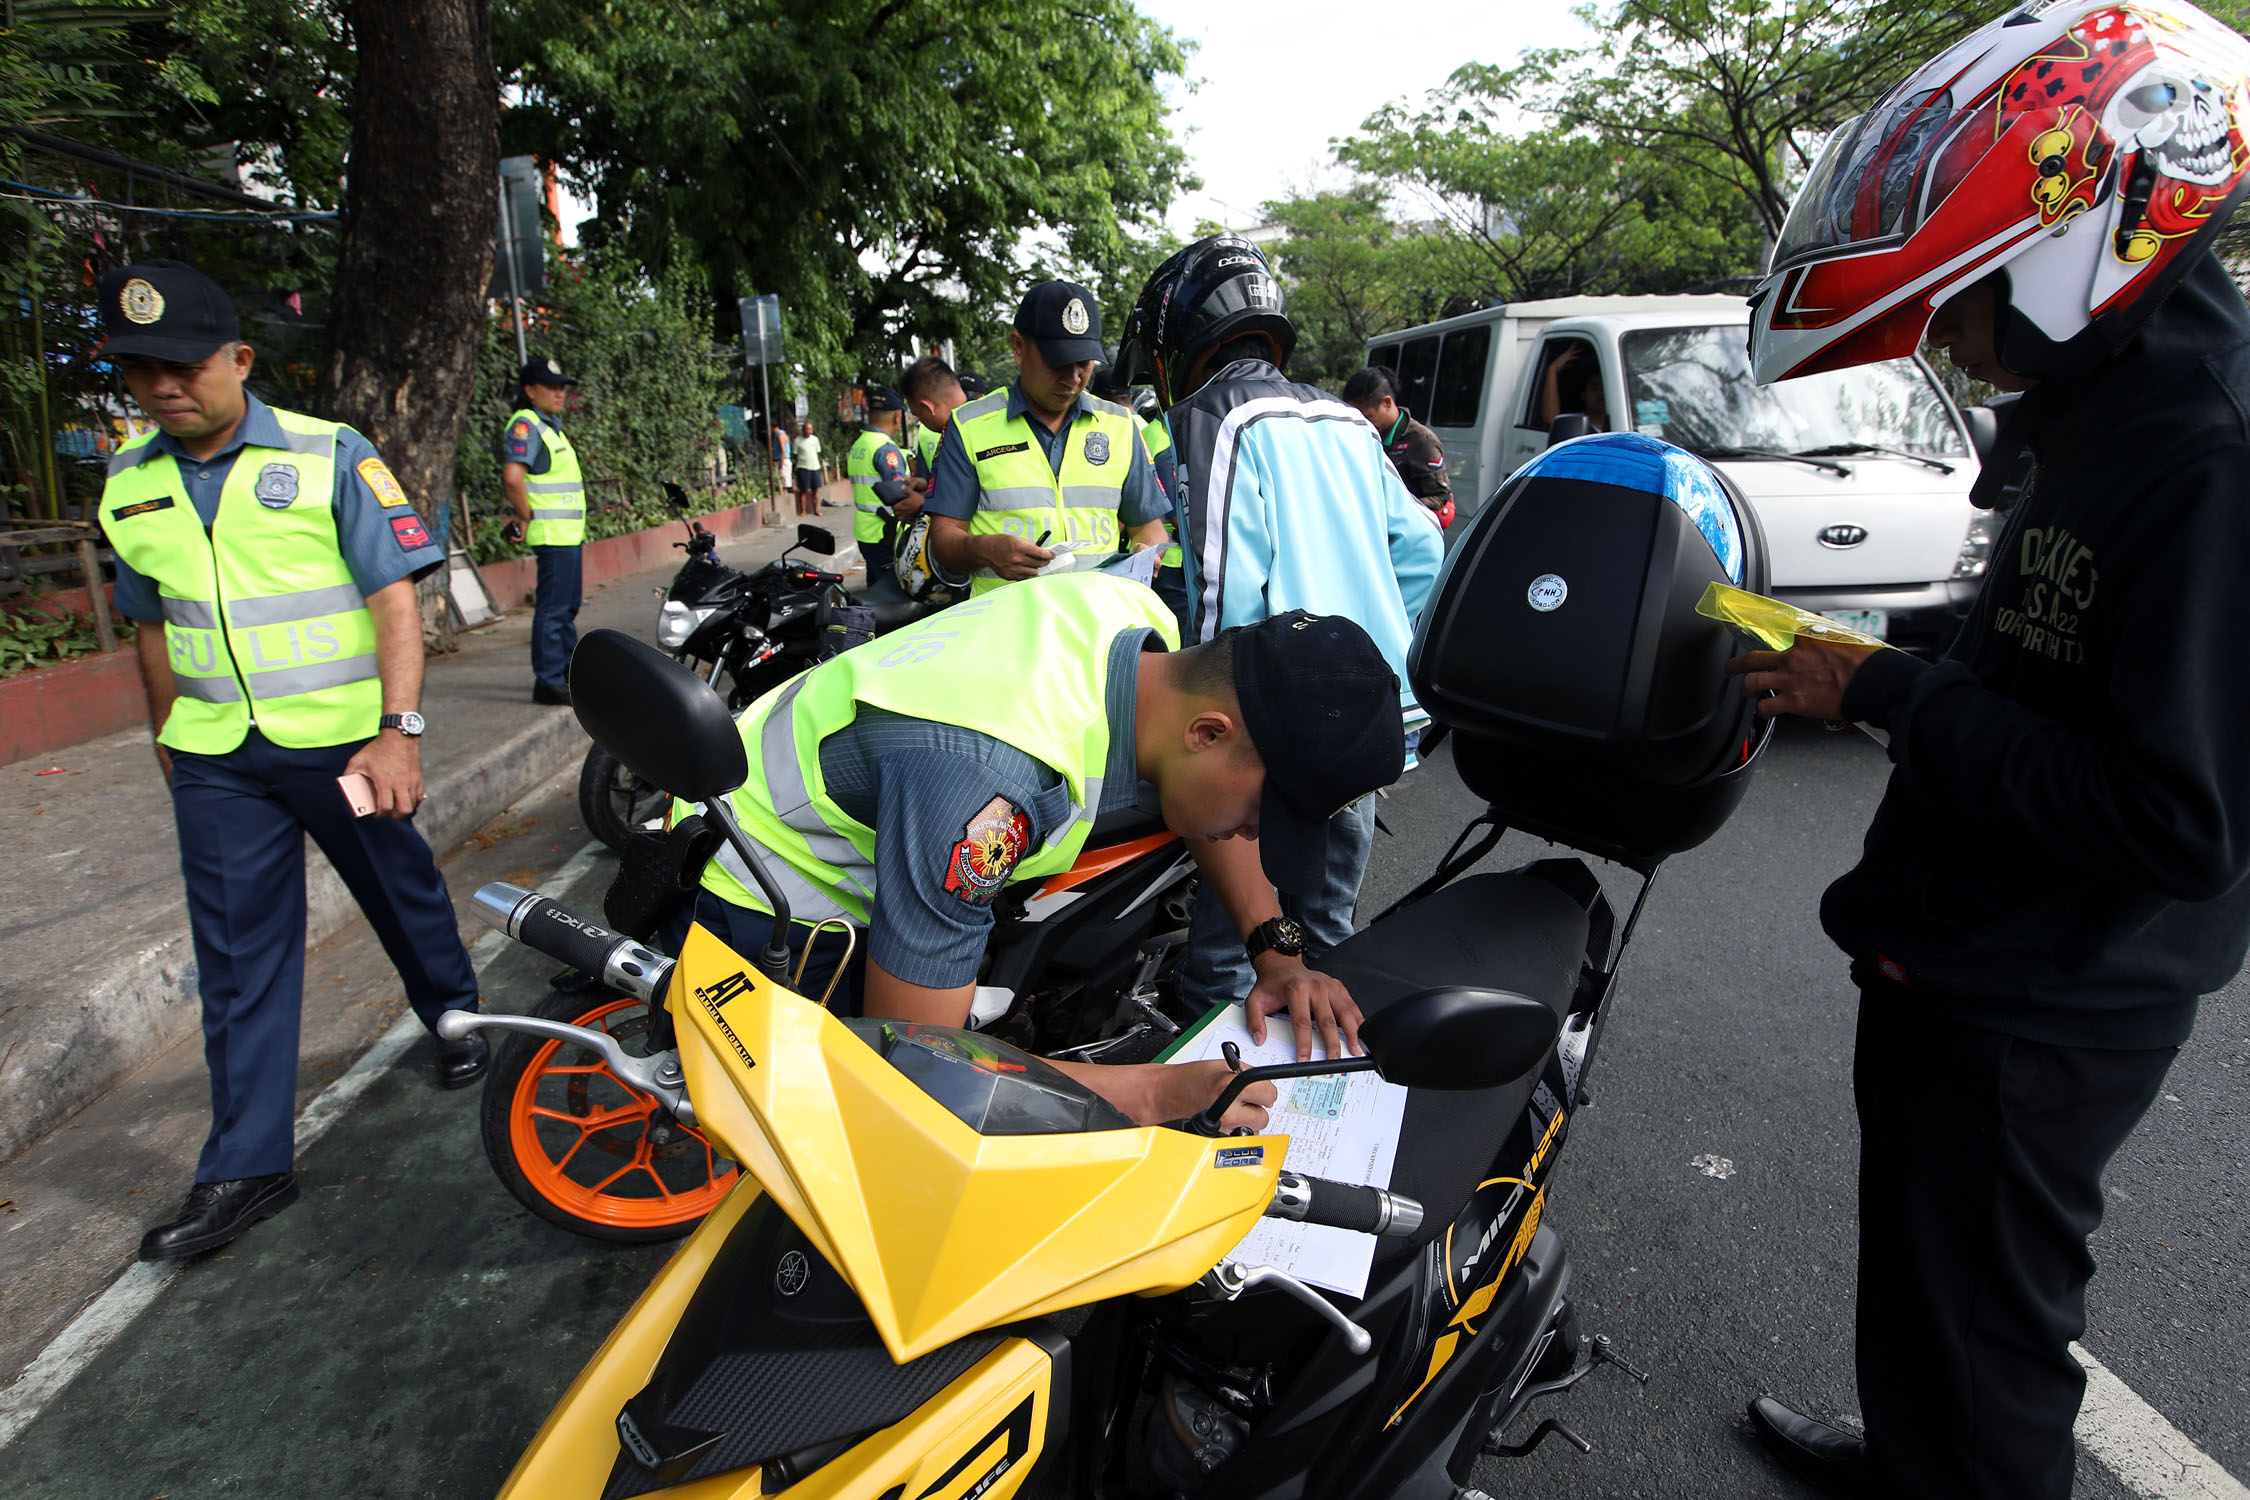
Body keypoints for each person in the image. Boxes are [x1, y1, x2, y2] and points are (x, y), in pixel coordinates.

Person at [1731, 5, 2250, 1497]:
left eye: (1961, 297)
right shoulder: (2095, 409)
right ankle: (1913, 1456)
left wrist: (1888, 701)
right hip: (1971, 944)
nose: (1945, 335)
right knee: (1925, 1277)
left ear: (2070, 245)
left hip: (2050, 989)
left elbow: (2174, 817)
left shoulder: (2205, 459)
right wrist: (1874, 664)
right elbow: (2029, 645)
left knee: (1991, 1338)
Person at [91, 259, 488, 1262]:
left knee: (398, 888)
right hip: (219, 756)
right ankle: (247, 1162)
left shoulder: (328, 455)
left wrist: (400, 729)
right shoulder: (129, 486)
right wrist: (166, 741)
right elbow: (152, 626)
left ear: (240, 359)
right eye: (141, 370)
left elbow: (396, 597)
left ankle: (451, 1014)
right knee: (236, 956)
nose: (164, 387)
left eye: (183, 366)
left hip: (343, 740)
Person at [687, 569, 1403, 1113]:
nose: (1250, 834)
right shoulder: (985, 788)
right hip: (771, 882)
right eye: (1260, 814)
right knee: (839, 1121)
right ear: (1207, 733)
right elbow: (922, 1067)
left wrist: (1276, 955)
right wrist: (1158, 1095)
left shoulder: (1133, 619)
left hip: (848, 776)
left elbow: (1209, 807)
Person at [1119, 234, 1443, 1039]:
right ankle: (1322, 1106)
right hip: (1361, 726)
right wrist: (1371, 665)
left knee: (1237, 947)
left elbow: (1225, 592)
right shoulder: (1347, 420)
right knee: (1329, 933)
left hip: (1263, 733)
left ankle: (1211, 1105)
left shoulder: (1210, 418)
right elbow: (1423, 551)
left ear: (1181, 342)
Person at [923, 281, 1170, 594]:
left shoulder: (1118, 426)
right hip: (1007, 627)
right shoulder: (970, 426)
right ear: (1018, 347)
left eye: (1084, 363)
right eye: (1059, 362)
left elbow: (1150, 528)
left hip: (1098, 623)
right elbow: (943, 538)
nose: (1074, 378)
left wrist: (1145, 553)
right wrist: (985, 550)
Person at [500, 355, 584, 706]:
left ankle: (565, 671)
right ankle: (549, 681)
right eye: (551, 387)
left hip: (565, 535)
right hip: (551, 534)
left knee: (566, 606)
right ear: (530, 390)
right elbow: (513, 477)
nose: (560, 392)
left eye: (562, 386)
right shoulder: (527, 425)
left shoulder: (549, 426)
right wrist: (525, 515)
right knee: (553, 609)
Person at [1340, 365, 1453, 528]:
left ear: (1387, 403)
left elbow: (1439, 498)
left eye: (1367, 417)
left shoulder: (1422, 441)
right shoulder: (1362, 435)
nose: (1363, 424)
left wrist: (1392, 511)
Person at [845, 386, 918, 580]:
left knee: (875, 583)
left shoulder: (859, 445)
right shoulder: (885, 449)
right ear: (897, 416)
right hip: (883, 531)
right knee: (889, 592)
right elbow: (900, 492)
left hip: (864, 529)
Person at [792, 420, 824, 519]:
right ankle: (803, 511)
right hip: (803, 467)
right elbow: (795, 454)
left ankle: (816, 510)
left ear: (812, 430)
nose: (808, 431)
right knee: (803, 490)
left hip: (815, 467)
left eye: (810, 429)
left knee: (815, 490)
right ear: (803, 430)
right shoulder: (797, 440)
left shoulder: (815, 440)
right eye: (806, 429)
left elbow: (818, 452)